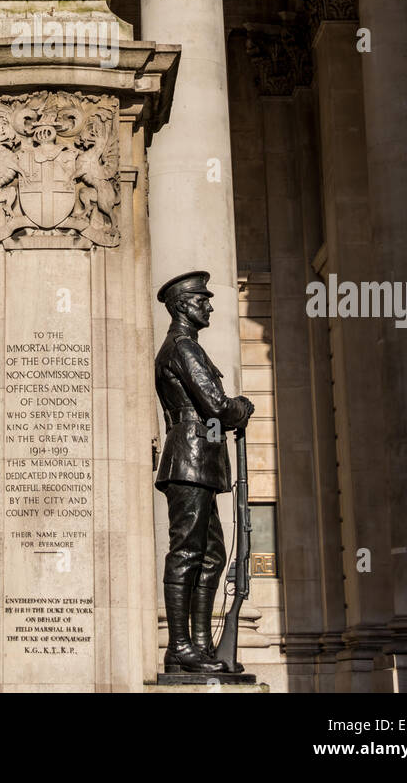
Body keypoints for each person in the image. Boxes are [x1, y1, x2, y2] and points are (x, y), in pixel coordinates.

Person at [155, 270, 254, 673]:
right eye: (202, 300)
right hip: (190, 457)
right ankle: (180, 646)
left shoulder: (190, 346)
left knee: (211, 555)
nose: (209, 306)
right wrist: (241, 406)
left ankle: (199, 645)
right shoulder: (183, 347)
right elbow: (215, 404)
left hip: (202, 458)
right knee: (188, 551)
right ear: (182, 305)